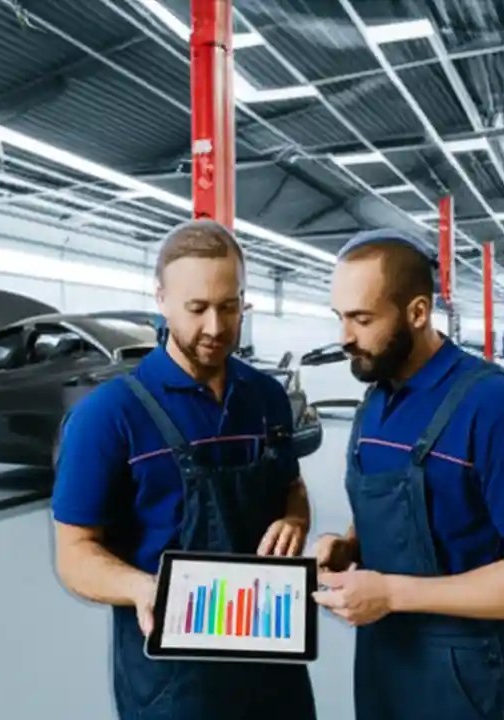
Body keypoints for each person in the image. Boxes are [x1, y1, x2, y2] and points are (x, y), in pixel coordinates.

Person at [312, 229, 504, 720]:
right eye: (340, 318)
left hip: (464, 677)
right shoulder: (377, 399)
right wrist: (351, 545)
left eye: (362, 318)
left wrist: (391, 592)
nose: (345, 337)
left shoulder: (498, 408)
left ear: (417, 313)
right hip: (383, 661)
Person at [50, 219, 316, 719]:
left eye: (229, 306)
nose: (215, 327)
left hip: (272, 663)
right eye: (197, 309)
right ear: (162, 300)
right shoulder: (108, 417)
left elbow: (291, 484)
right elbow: (74, 553)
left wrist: (295, 518)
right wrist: (141, 588)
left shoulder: (267, 397)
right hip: (175, 681)